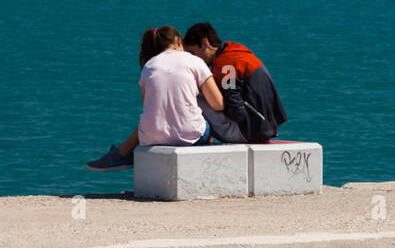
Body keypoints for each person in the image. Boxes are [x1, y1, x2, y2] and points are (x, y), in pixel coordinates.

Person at [87, 25, 226, 171]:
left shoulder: (149, 66)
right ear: (179, 41)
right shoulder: (194, 61)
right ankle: (205, 167)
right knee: (207, 120)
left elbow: (150, 105)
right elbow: (218, 104)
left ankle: (121, 154)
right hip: (189, 136)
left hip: (150, 136)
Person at [183, 22, 287, 143]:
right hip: (266, 128)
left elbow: (234, 104)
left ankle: (200, 142)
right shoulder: (236, 53)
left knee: (194, 99)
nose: (193, 59)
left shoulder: (226, 65)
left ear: (205, 43)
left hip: (249, 132)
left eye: (193, 53)